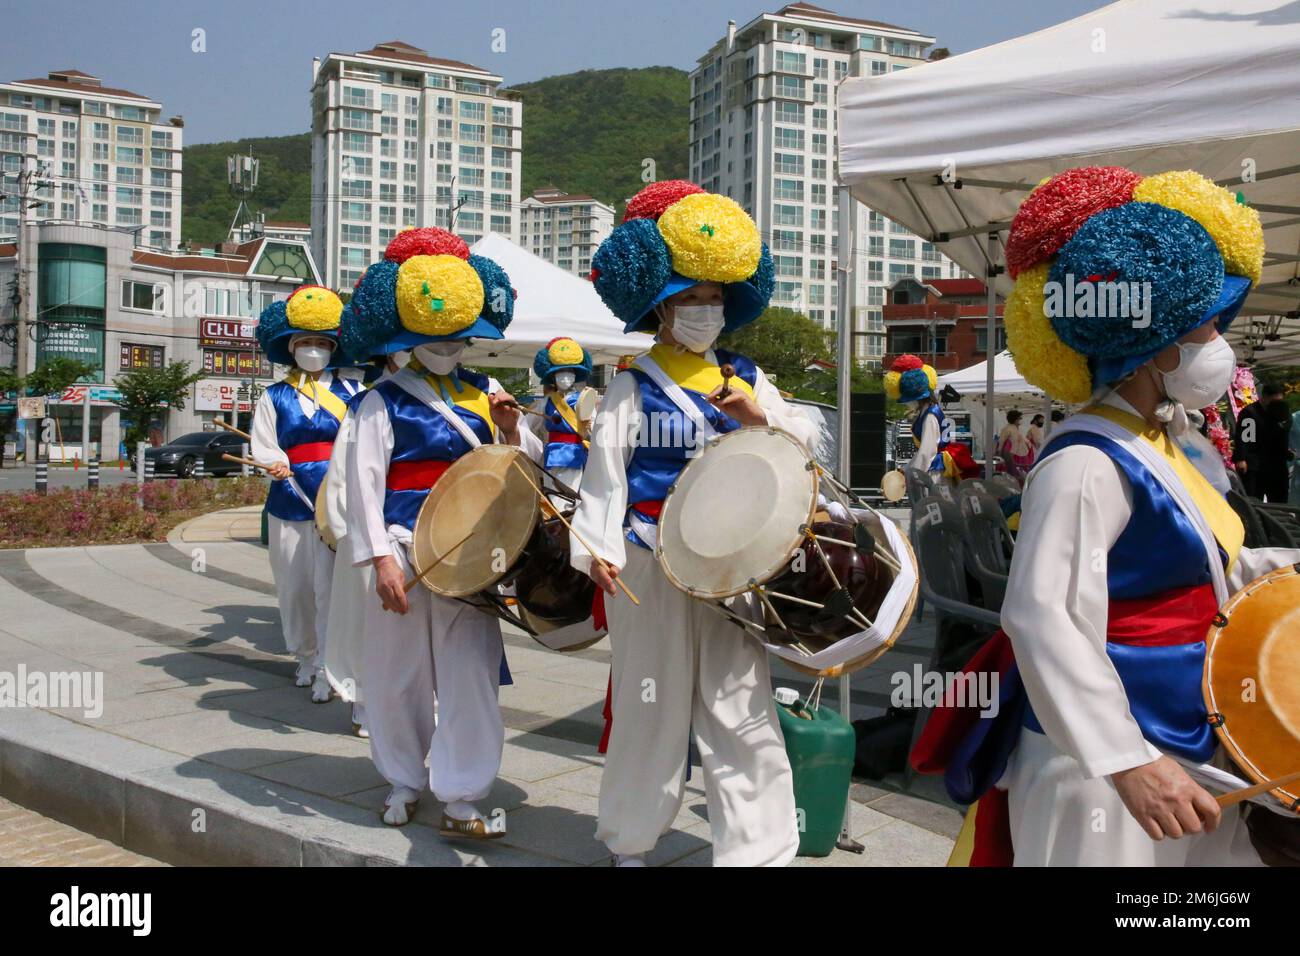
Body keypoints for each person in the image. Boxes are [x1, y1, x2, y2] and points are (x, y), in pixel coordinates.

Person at [912, 165, 1298, 865]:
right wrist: (1124, 761)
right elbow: (1041, 616)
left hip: (1192, 734)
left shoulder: (1165, 441)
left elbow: (1209, 564)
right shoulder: (1085, 463)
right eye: (1208, 324)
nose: (1221, 340)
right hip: (1105, 767)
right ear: (1155, 346)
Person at [572, 180, 814, 867]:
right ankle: (629, 839)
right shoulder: (632, 383)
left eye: (713, 299)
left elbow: (802, 449)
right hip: (651, 557)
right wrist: (598, 549)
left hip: (736, 563)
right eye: (689, 299)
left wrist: (760, 418)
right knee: (651, 702)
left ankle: (760, 849)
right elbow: (605, 475)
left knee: (741, 702)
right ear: (662, 307)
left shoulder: (747, 376)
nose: (704, 311)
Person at [344, 228, 542, 835]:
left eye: (457, 336)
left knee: (470, 673)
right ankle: (402, 778)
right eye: (436, 337)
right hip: (405, 550)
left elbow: (524, 466)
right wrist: (378, 558)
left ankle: (462, 793)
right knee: (399, 674)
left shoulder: (489, 394)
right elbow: (361, 485)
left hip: (472, 555)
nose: (449, 346)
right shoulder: (378, 402)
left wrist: (510, 431)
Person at [251, 286, 352, 702]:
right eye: (307, 343)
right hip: (288, 496)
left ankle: (331, 666)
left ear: (333, 348)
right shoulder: (273, 395)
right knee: (294, 586)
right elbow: (263, 441)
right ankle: (305, 656)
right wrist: (271, 460)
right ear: (292, 348)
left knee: (331, 587)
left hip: (336, 497)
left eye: (322, 343)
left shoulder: (353, 394)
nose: (314, 350)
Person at [320, 327, 412, 736]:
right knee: (369, 622)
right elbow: (346, 476)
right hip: (378, 531)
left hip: (434, 534)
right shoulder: (367, 404)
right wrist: (355, 536)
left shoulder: (465, 395)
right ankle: (366, 705)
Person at [530, 336, 597, 494]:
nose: (565, 375)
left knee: (570, 499)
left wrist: (589, 427)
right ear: (553, 376)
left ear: (576, 374)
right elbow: (529, 427)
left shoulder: (584, 399)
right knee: (553, 497)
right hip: (551, 455)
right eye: (560, 371)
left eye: (569, 371)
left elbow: (596, 429)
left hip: (574, 454)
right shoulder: (545, 402)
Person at [1232, 382, 1293, 502]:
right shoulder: (1250, 412)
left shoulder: (1282, 411)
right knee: (1254, 498)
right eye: (1273, 401)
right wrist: (1241, 458)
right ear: (1264, 397)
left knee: (1279, 499)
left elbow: (1285, 433)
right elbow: (1244, 438)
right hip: (1255, 463)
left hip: (1276, 463)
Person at [997, 409, 1035, 478]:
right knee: (1014, 475)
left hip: (1020, 455)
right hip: (1013, 456)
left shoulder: (1016, 428)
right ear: (1015, 419)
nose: (1021, 419)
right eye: (1020, 418)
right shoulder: (1007, 429)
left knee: (1021, 474)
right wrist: (1000, 455)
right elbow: (1001, 442)